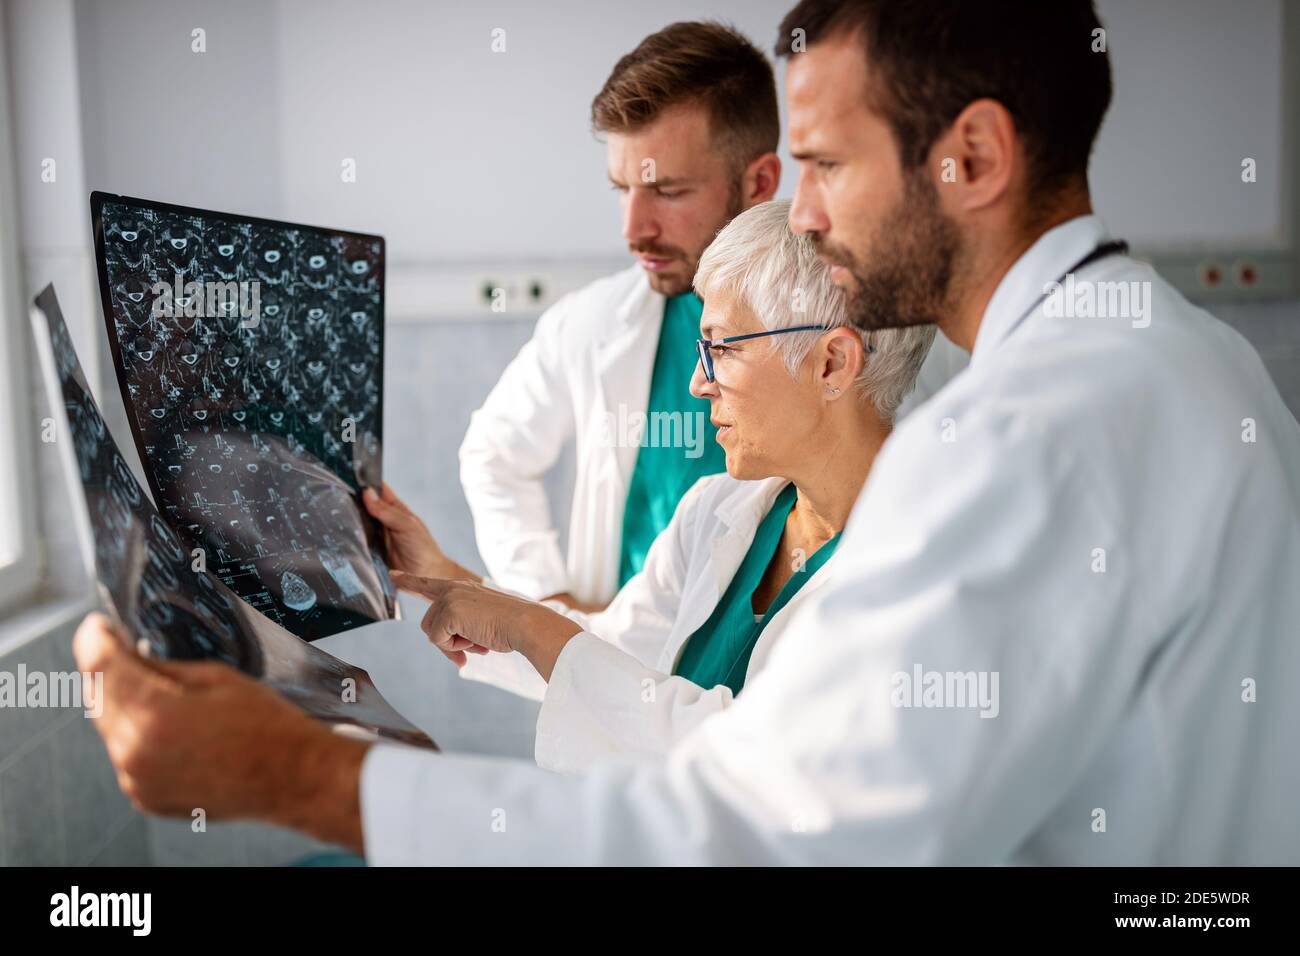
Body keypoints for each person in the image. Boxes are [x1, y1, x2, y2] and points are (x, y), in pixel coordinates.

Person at [76, 0, 1300, 865]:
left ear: (969, 155)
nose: (802, 213)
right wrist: (452, 584)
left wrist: (299, 777)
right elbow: (630, 663)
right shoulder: (1187, 359)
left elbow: (773, 830)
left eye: (821, 164)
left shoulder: (1020, 441)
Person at [374, 199, 934, 773]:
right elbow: (612, 659)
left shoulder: (916, 571)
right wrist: (445, 579)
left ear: (833, 363)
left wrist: (528, 626)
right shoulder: (717, 510)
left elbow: (758, 758)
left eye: (723, 348)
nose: (697, 383)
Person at [453, 20, 965, 612]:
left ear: (760, 181)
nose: (633, 229)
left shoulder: (884, 326)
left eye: (667, 192)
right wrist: (554, 606)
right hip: (629, 656)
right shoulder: (591, 322)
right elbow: (494, 454)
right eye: (623, 188)